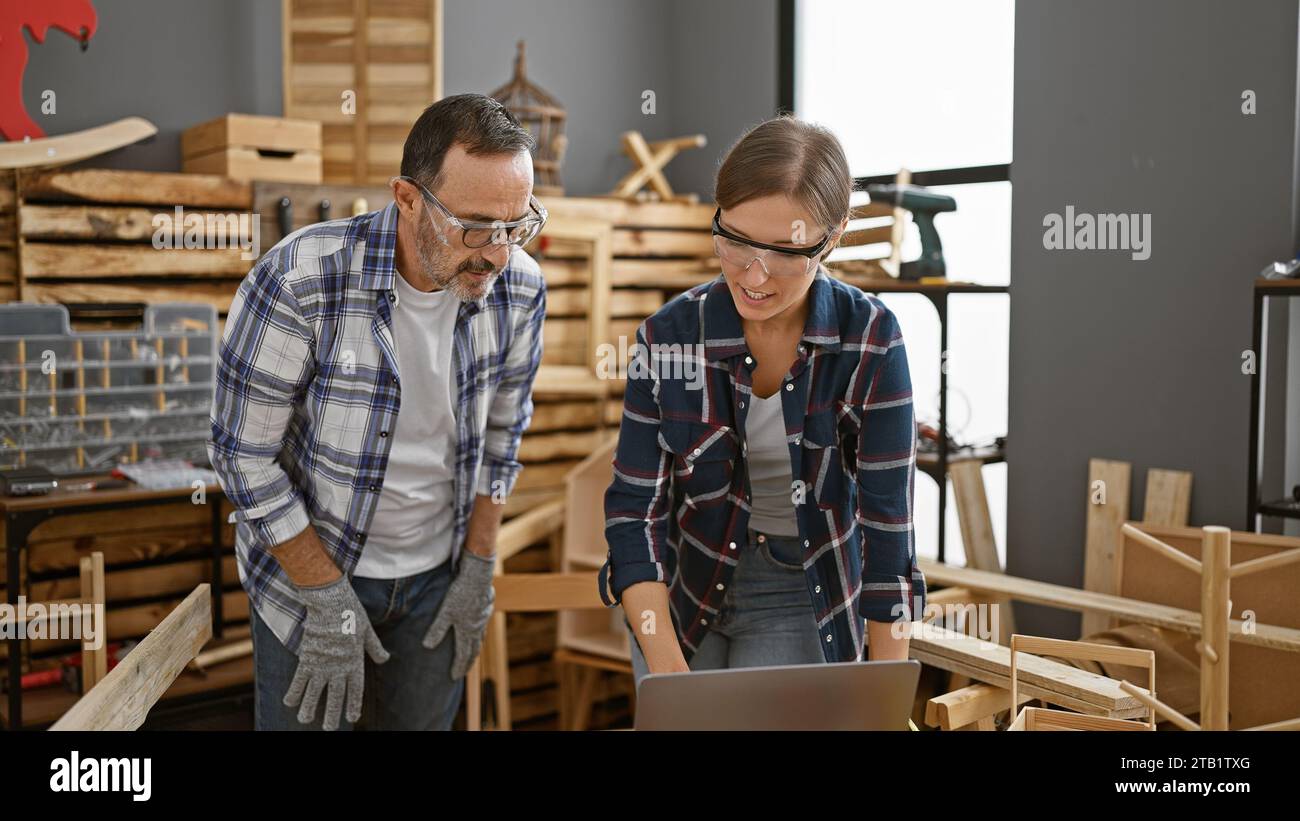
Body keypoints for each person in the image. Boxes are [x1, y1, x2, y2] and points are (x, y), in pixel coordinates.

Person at [208, 93, 547, 730]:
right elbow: (240, 454)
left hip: (437, 581)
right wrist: (323, 590)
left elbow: (505, 435)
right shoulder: (298, 279)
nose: (498, 253)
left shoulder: (521, 289)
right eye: (475, 226)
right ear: (408, 197)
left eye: (516, 225)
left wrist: (478, 563)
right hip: (309, 573)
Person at [600, 115, 926, 685]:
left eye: (784, 251)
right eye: (737, 241)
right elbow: (635, 516)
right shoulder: (667, 338)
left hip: (800, 586)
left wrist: (883, 695)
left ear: (835, 234)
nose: (754, 274)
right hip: (678, 585)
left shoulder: (870, 339)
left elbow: (887, 532)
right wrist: (669, 677)